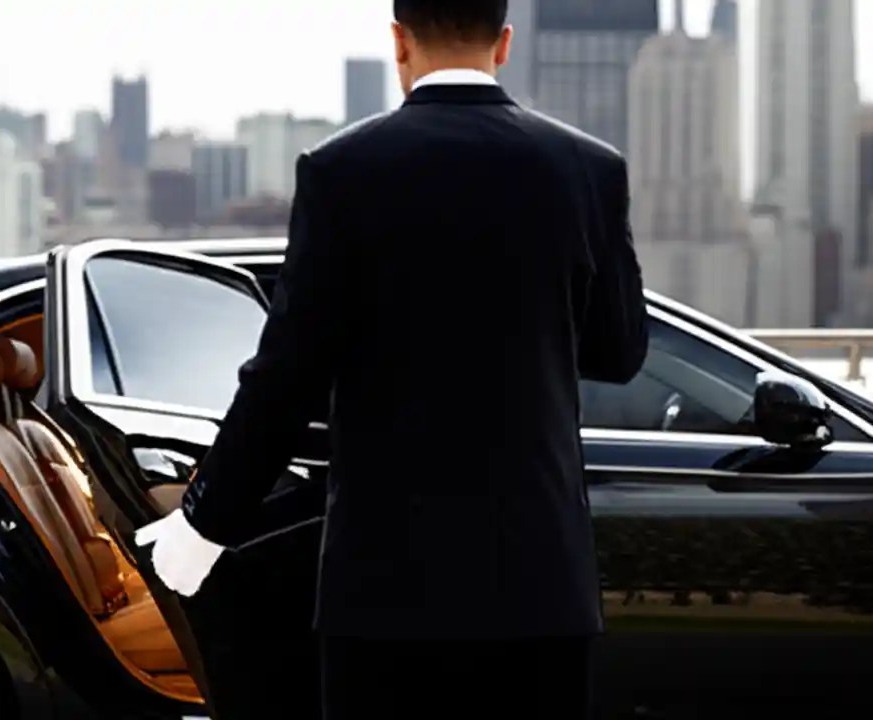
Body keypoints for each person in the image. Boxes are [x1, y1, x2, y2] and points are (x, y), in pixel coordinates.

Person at [136, 0, 650, 716]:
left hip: (385, 588)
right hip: (540, 585)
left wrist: (204, 525)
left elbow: (285, 378)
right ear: (503, 42)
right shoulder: (590, 169)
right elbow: (619, 352)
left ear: (398, 43)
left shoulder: (341, 171)